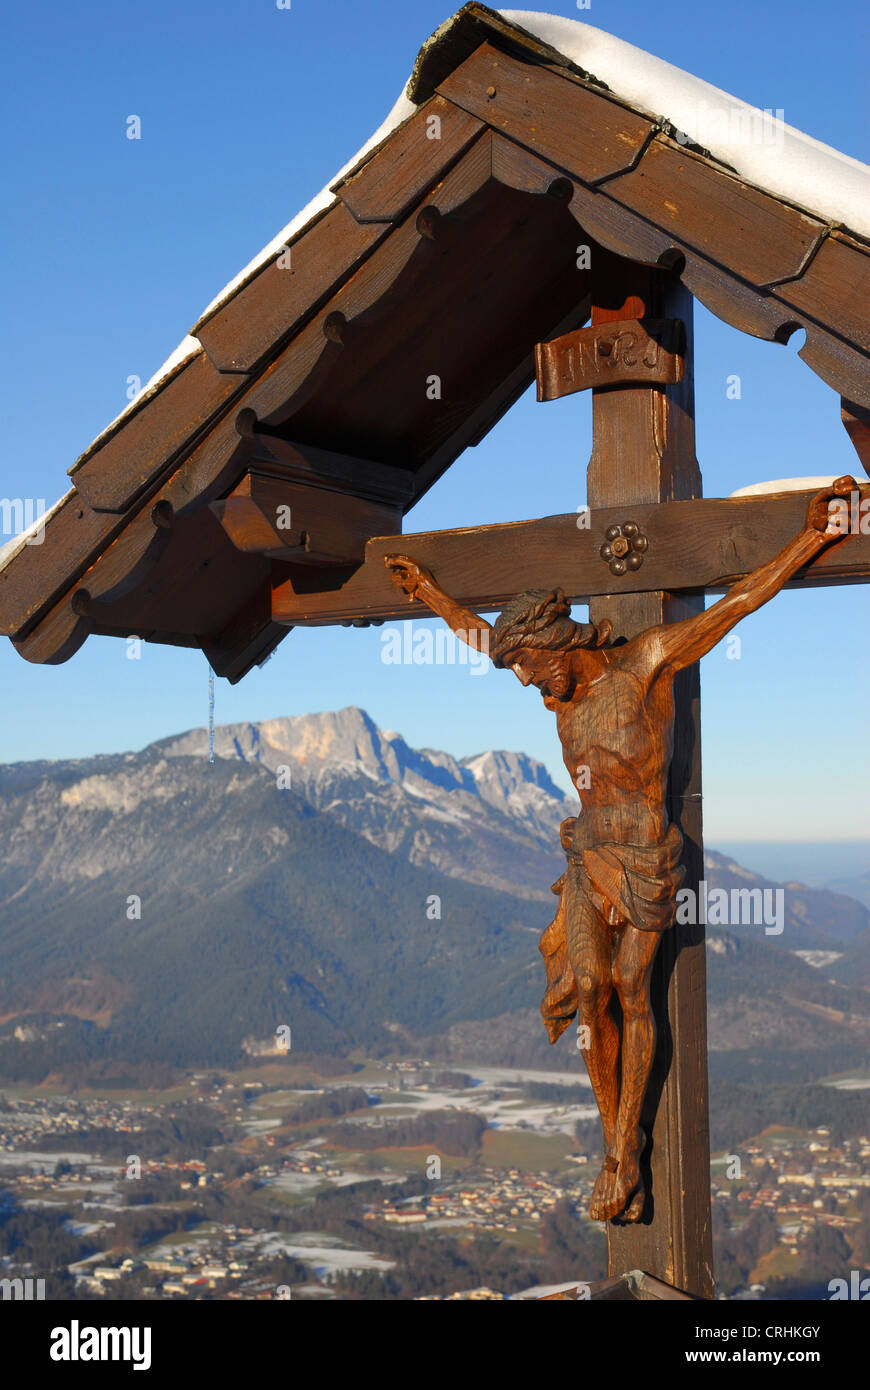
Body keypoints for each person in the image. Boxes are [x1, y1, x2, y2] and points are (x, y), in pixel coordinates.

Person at [385, 475, 856, 1221]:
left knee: (636, 992)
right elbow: (485, 643)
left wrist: (814, 537)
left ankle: (627, 1146)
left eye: (529, 665)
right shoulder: (562, 702)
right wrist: (430, 596)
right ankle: (614, 1142)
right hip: (587, 859)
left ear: (555, 646)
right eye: (518, 670)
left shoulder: (646, 665)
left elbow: (738, 604)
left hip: (647, 859)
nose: (527, 682)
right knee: (591, 992)